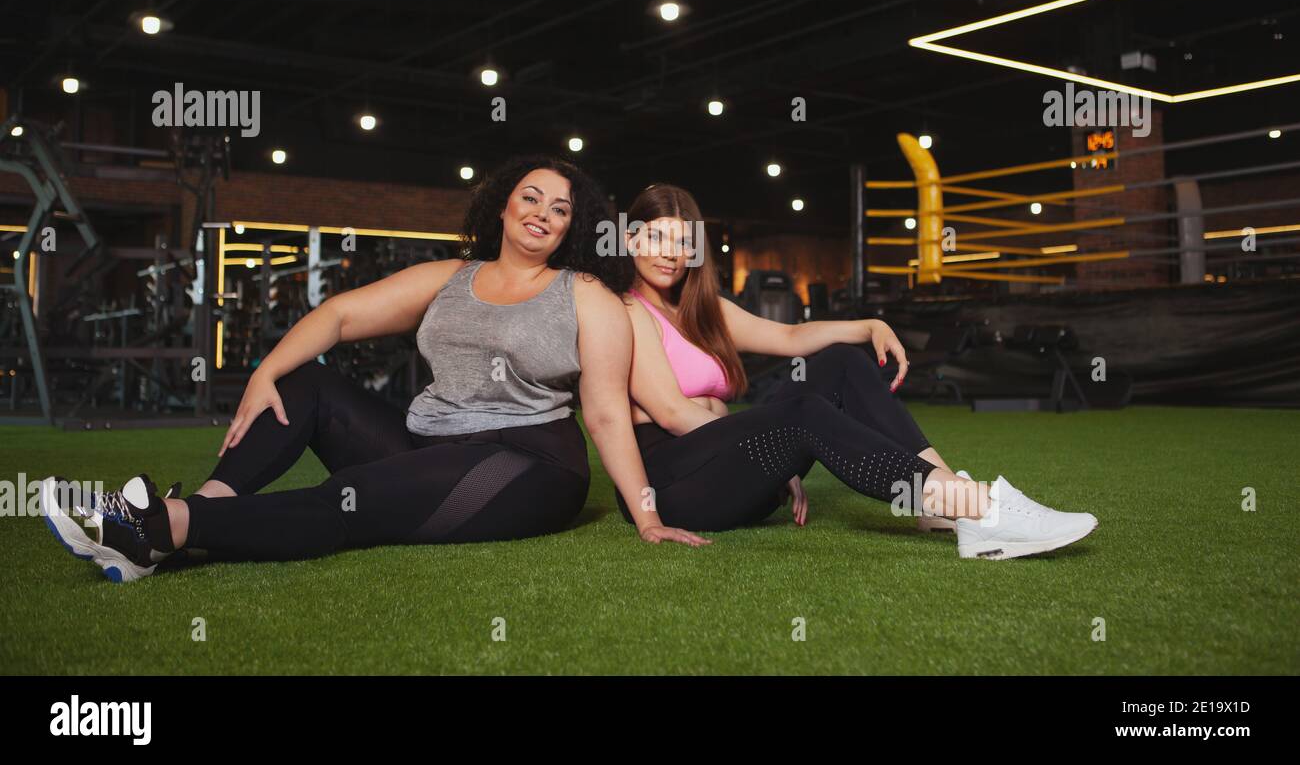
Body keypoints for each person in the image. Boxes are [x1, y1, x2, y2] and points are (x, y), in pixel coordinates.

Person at [41, 156, 708, 583]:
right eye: (532, 198)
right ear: (503, 205)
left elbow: (604, 412)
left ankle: (157, 527)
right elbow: (338, 316)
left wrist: (645, 514)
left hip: (528, 463)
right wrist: (263, 370)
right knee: (308, 382)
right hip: (431, 442)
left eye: (560, 209)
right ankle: (207, 507)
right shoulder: (449, 277)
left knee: (354, 500)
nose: (543, 214)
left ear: (570, 227)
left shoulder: (584, 294)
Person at [616, 183, 1098, 561]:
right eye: (656, 236)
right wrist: (762, 442)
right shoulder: (627, 311)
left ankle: (950, 503)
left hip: (724, 469)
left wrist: (867, 325)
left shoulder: (704, 308)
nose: (670, 252)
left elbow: (788, 339)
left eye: (682, 241)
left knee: (841, 361)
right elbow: (674, 413)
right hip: (675, 487)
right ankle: (979, 506)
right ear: (631, 237)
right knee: (801, 411)